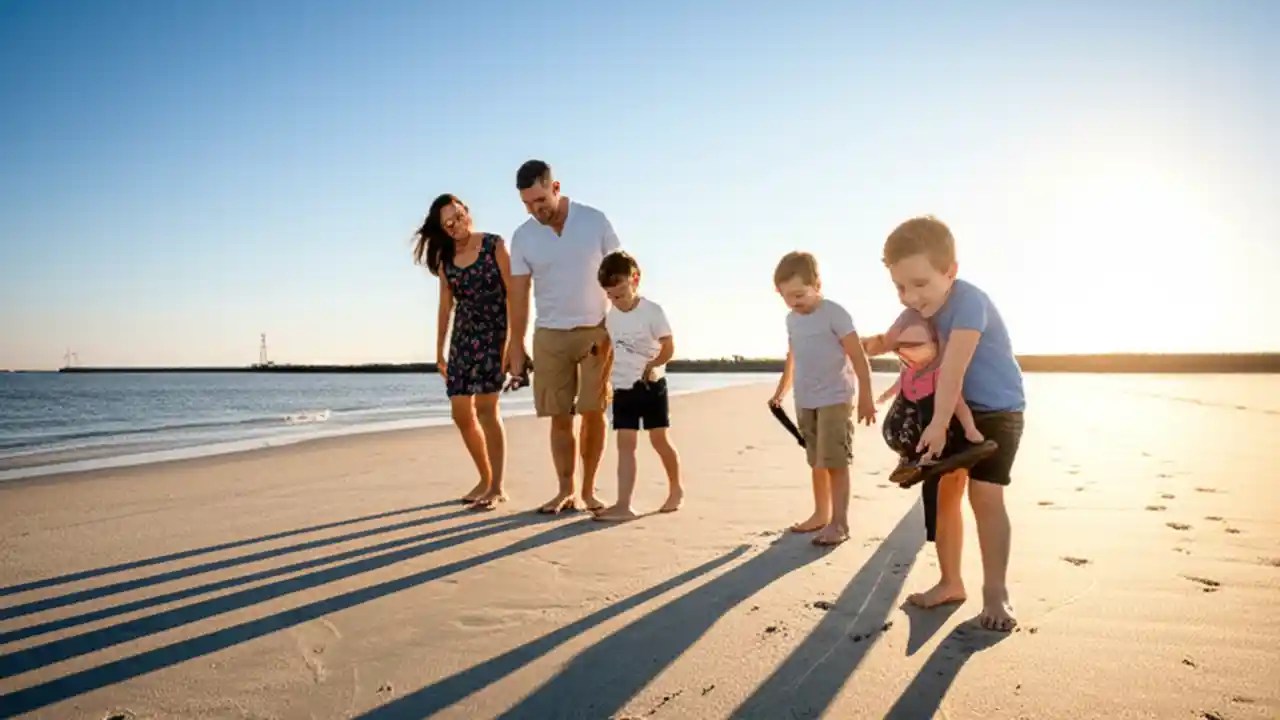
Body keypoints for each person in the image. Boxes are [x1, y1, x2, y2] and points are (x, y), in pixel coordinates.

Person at [880, 215, 1026, 631]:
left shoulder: (968, 303)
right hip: (953, 405)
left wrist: (940, 423)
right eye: (900, 286)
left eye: (920, 284)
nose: (909, 296)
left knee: (985, 496)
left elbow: (954, 369)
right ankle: (950, 582)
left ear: (951, 272)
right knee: (946, 491)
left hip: (998, 410)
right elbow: (929, 362)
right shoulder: (924, 308)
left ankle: (996, 594)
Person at [506, 160, 620, 514]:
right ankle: (564, 490)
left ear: (555, 188)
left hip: (595, 330)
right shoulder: (523, 236)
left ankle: (588, 490)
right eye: (527, 203)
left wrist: (625, 325)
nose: (535, 208)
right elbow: (519, 295)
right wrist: (516, 345)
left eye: (539, 199)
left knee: (593, 411)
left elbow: (622, 272)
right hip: (550, 335)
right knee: (558, 416)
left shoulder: (594, 220)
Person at [768, 251, 876, 546]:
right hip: (806, 400)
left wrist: (866, 395)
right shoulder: (792, 320)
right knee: (816, 461)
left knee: (835, 461)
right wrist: (781, 392)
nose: (794, 302)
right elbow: (792, 358)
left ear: (817, 284)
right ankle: (820, 514)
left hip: (835, 398)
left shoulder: (834, 313)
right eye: (787, 296)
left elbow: (858, 355)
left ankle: (840, 523)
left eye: (800, 294)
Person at [413, 194, 511, 510]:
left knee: (487, 410)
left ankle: (497, 486)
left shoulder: (494, 245)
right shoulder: (446, 260)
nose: (456, 225)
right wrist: (439, 351)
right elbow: (445, 307)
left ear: (467, 211)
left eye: (458, 216)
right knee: (460, 414)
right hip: (462, 340)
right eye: (448, 223)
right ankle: (485, 478)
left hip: (494, 336)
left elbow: (513, 295)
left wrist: (510, 344)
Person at [593, 251, 683, 521]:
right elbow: (610, 349)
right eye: (610, 295)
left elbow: (668, 347)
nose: (615, 300)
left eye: (619, 293)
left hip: (651, 386)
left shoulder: (652, 311)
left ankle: (676, 489)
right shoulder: (612, 316)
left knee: (659, 440)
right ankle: (624, 504)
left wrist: (652, 366)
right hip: (622, 388)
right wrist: (602, 380)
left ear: (635, 279)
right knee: (625, 444)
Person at [870, 308, 997, 489]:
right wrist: (885, 395)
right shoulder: (908, 370)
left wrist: (970, 429)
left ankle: (954, 442)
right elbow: (900, 383)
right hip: (909, 416)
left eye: (917, 346)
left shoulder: (940, 372)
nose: (910, 353)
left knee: (945, 411)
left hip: (930, 416)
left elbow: (958, 403)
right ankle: (908, 459)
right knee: (900, 427)